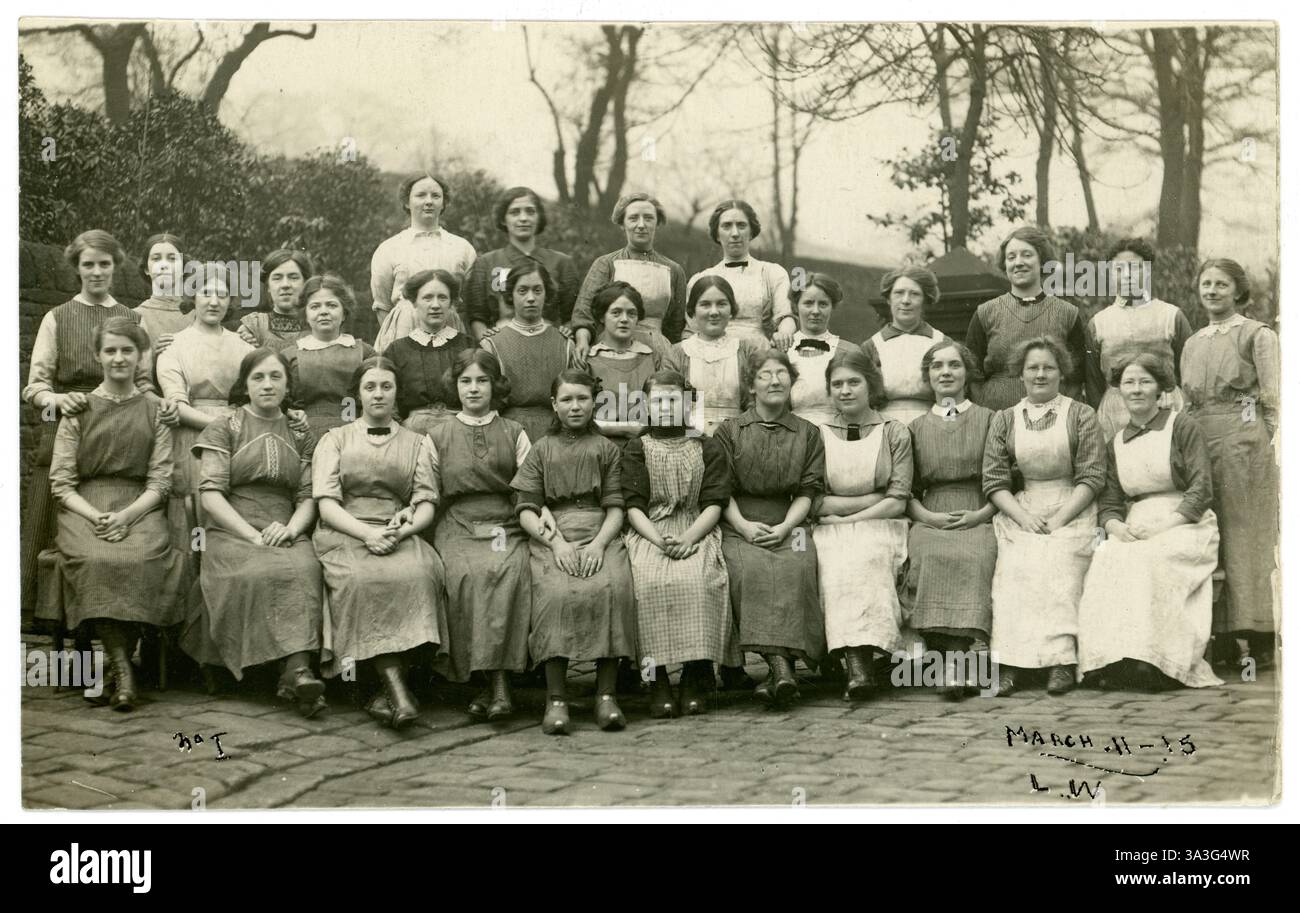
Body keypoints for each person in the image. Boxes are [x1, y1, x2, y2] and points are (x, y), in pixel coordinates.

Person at [47, 317, 185, 710]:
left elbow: (160, 481)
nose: (119, 358)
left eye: (127, 350)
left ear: (141, 356)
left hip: (138, 506)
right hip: (85, 506)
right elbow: (62, 483)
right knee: (95, 557)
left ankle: (112, 666)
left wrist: (127, 516)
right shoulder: (79, 407)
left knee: (143, 556)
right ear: (97, 356)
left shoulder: (157, 410)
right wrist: (95, 517)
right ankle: (124, 667)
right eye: (110, 350)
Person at [181, 348, 327, 717]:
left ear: (287, 384)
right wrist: (251, 535)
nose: (267, 384)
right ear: (245, 384)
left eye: (276, 377)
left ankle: (296, 670)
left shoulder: (299, 430)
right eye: (258, 377)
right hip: (232, 528)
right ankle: (290, 671)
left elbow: (308, 496)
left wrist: (292, 529)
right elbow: (211, 496)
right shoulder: (224, 427)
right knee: (257, 570)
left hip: (285, 525)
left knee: (307, 569)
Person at [23, 230, 159, 624]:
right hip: (71, 418)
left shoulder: (135, 319)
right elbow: (35, 386)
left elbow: (146, 382)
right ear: (77, 269)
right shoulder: (58, 317)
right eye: (88, 265)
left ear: (115, 267)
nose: (96, 272)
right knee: (55, 505)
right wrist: (60, 401)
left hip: (124, 422)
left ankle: (119, 607)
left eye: (104, 264)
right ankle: (45, 610)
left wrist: (155, 407)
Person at [312, 357, 447, 729]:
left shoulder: (418, 443)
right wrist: (367, 534)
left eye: (386, 386)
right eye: (370, 387)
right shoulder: (335, 439)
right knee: (360, 579)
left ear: (397, 392)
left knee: (420, 573)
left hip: (395, 528)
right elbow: (326, 503)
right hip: (346, 530)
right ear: (358, 393)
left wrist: (401, 531)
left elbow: (425, 502)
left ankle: (380, 692)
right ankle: (395, 688)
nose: (378, 394)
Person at [1077, 354, 1221, 691]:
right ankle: (1111, 660)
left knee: (1149, 560)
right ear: (1119, 391)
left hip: (1185, 522)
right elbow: (1110, 502)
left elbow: (1201, 489)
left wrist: (1166, 525)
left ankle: (1155, 661)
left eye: (1145, 382)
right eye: (1129, 382)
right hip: (1136, 523)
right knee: (1106, 558)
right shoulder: (1116, 441)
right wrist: (1116, 528)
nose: (1136, 389)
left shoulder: (1181, 426)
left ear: (1160, 388)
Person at [511, 369, 637, 735]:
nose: (575, 406)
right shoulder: (541, 450)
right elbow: (526, 509)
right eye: (566, 399)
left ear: (594, 401)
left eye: (582, 398)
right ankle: (556, 698)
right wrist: (557, 544)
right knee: (554, 592)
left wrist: (599, 544)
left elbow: (616, 507)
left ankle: (606, 695)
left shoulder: (607, 449)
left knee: (613, 585)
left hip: (600, 530)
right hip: (554, 533)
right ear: (554, 404)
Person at [983, 336, 1106, 696]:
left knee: (1059, 564)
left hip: (1073, 505)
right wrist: (1022, 517)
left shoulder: (1081, 413)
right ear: (1020, 374)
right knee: (1014, 570)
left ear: (1061, 372)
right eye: (1032, 368)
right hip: (1023, 508)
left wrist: (1061, 518)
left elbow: (1093, 475)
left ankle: (1061, 662)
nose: (1040, 374)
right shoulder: (1005, 419)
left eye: (1048, 367)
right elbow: (994, 480)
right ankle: (1013, 664)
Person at [1180, 258, 1279, 668]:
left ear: (1238, 291)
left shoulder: (1258, 335)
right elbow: (1187, 400)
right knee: (1208, 528)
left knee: (1244, 531)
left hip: (1243, 435)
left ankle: (1256, 632)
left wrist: (1260, 439)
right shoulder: (1192, 341)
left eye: (1222, 284)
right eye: (1206, 283)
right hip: (1200, 434)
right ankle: (1219, 632)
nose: (1213, 291)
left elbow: (1273, 398)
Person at [621, 370, 737, 717]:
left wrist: (689, 538)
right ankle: (657, 680)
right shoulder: (636, 447)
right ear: (646, 405)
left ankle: (694, 675)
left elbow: (715, 501)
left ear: (687, 404)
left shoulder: (706, 445)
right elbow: (633, 505)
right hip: (650, 530)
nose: (667, 406)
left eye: (674, 399)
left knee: (701, 579)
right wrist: (658, 540)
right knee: (648, 581)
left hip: (694, 526)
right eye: (658, 400)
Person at [715, 349, 826, 707]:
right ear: (751, 385)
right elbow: (720, 490)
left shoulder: (808, 433)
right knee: (749, 571)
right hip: (740, 522)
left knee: (797, 566)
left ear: (792, 382)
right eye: (765, 374)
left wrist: (785, 528)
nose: (775, 381)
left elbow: (809, 490)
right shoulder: (730, 431)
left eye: (782, 373)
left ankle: (780, 671)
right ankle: (782, 669)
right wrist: (745, 527)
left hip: (790, 523)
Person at [427, 350, 533, 721]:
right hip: (458, 521)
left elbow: (527, 488)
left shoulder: (514, 431)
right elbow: (428, 490)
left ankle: (498, 683)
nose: (473, 389)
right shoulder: (437, 435)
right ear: (455, 386)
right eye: (465, 381)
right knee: (463, 574)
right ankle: (484, 683)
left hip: (504, 523)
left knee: (506, 569)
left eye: (482, 381)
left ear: (495, 386)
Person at [812, 350, 913, 703]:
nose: (845, 390)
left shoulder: (894, 432)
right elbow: (814, 500)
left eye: (853, 382)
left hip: (882, 525)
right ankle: (852, 661)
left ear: (871, 385)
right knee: (832, 559)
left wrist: (850, 517)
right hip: (829, 527)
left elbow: (898, 499)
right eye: (836, 384)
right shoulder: (818, 435)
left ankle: (864, 659)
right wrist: (872, 497)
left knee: (865, 556)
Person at [904, 341, 997, 699]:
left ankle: (960, 663)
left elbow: (1003, 481)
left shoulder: (990, 419)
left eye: (954, 365)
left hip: (979, 507)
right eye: (937, 366)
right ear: (928, 376)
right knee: (926, 552)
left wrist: (981, 514)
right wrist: (928, 517)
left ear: (967, 373)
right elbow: (907, 490)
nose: (946, 372)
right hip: (931, 511)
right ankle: (946, 660)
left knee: (976, 555)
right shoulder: (914, 427)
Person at [156, 263, 254, 572]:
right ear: (193, 297)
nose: (214, 301)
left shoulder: (243, 347)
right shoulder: (175, 345)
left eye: (222, 295)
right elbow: (176, 402)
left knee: (231, 506)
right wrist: (220, 424)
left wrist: (237, 425)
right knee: (192, 510)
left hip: (237, 437)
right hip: (192, 436)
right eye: (206, 292)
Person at [965, 226, 1088, 410]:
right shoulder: (985, 313)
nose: (1018, 262)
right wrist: (984, 412)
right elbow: (972, 375)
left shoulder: (1067, 313)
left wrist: (1062, 415)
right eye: (1011, 257)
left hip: (1054, 419)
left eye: (1027, 255)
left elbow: (1076, 378)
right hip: (995, 417)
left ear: (1042, 261)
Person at [1084, 238, 1192, 439]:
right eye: (1118, 269)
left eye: (1135, 268)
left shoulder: (1171, 316)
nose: (1127, 275)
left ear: (1148, 271)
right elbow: (1093, 382)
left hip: (1165, 404)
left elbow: (1188, 369)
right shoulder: (1099, 323)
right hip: (1116, 410)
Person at [570, 192, 686, 361]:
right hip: (612, 348)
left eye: (648, 218)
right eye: (633, 218)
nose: (641, 225)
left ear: (658, 222)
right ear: (622, 224)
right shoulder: (606, 264)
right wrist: (582, 341)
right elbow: (584, 312)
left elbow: (675, 326)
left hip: (659, 352)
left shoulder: (674, 270)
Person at [371, 173, 475, 350]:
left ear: (444, 203)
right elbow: (382, 305)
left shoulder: (462, 247)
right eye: (421, 195)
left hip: (449, 328)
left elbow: (469, 300)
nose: (429, 201)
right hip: (403, 330)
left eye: (435, 196)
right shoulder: (389, 248)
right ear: (406, 202)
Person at [480, 263, 580, 444]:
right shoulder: (492, 344)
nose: (531, 298)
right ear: (510, 295)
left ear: (547, 294)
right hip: (507, 433)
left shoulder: (565, 344)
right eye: (522, 291)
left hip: (557, 434)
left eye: (537, 290)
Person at [462, 186, 580, 337]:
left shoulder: (562, 262)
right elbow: (476, 315)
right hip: (499, 345)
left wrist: (564, 337)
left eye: (530, 211)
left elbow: (572, 314)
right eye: (514, 212)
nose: (523, 218)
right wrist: (488, 345)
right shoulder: (486, 263)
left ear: (539, 217)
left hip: (549, 343)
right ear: (503, 219)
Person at [665, 276, 767, 437]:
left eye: (721, 304)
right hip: (688, 438)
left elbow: (757, 403)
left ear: (731, 309)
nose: (714, 312)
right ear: (693, 310)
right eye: (705, 304)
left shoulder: (747, 351)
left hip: (740, 437)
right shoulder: (677, 353)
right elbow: (669, 406)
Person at [687, 199, 795, 348]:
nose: (735, 233)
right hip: (713, 352)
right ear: (717, 234)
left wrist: (784, 334)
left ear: (751, 231)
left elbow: (785, 316)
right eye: (726, 226)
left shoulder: (772, 273)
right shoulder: (700, 279)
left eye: (741, 225)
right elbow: (691, 329)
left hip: (758, 352)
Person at [282, 275, 377, 439]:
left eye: (332, 305)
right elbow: (279, 402)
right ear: (305, 313)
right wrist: (290, 414)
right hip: (303, 435)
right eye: (315, 306)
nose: (324, 311)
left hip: (356, 434)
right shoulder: (289, 355)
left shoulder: (365, 352)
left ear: (344, 312)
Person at [384, 269, 475, 436]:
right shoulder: (396, 351)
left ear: (451, 302)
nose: (435, 305)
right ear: (414, 302)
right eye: (427, 298)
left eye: (442, 297)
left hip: (461, 432)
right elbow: (388, 400)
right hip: (411, 433)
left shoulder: (468, 346)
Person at [863, 266, 948, 425]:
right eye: (899, 293)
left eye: (915, 294)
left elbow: (956, 395)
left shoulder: (943, 344)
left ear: (925, 299)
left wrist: (950, 427)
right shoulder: (871, 346)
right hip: (883, 425)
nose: (906, 300)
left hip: (934, 425)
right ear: (888, 299)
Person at [785, 273, 865, 427]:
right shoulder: (783, 350)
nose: (815, 311)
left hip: (839, 433)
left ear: (832, 307)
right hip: (792, 434)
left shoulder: (850, 351)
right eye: (808, 303)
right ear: (796, 306)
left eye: (823, 304)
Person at [584, 281, 661, 438]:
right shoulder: (589, 359)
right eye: (616, 312)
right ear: (601, 316)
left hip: (643, 445)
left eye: (631, 313)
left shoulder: (651, 357)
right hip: (598, 444)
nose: (624, 319)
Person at [236, 249, 314, 352]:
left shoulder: (317, 324)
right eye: (277, 278)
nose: (285, 285)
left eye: (293, 277)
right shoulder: (254, 326)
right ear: (268, 286)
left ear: (305, 284)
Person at [133, 232, 192, 358]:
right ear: (146, 269)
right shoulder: (134, 317)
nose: (164, 265)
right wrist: (151, 355)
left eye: (172, 258)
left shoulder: (198, 315)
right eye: (156, 258)